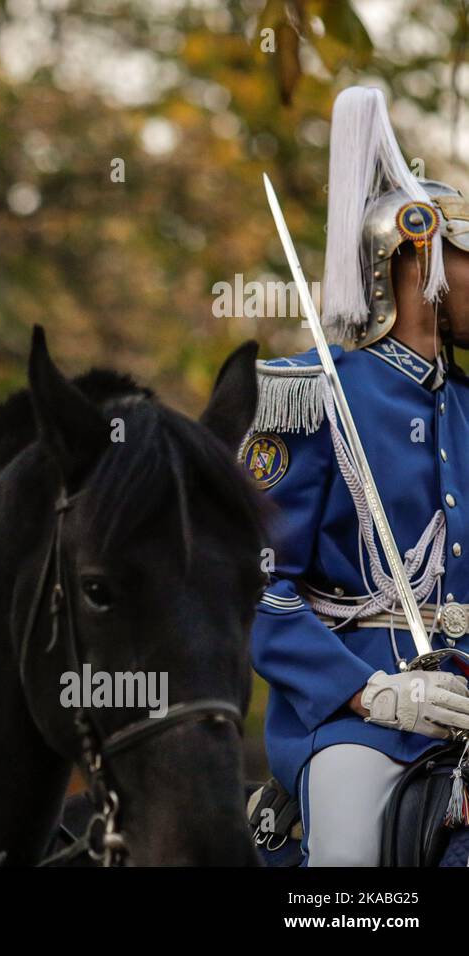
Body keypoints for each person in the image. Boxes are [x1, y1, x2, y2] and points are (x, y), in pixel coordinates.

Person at [248, 85, 469, 866]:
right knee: (347, 870)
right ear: (422, 257)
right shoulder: (312, 394)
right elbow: (256, 584)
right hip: (358, 720)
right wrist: (369, 691)